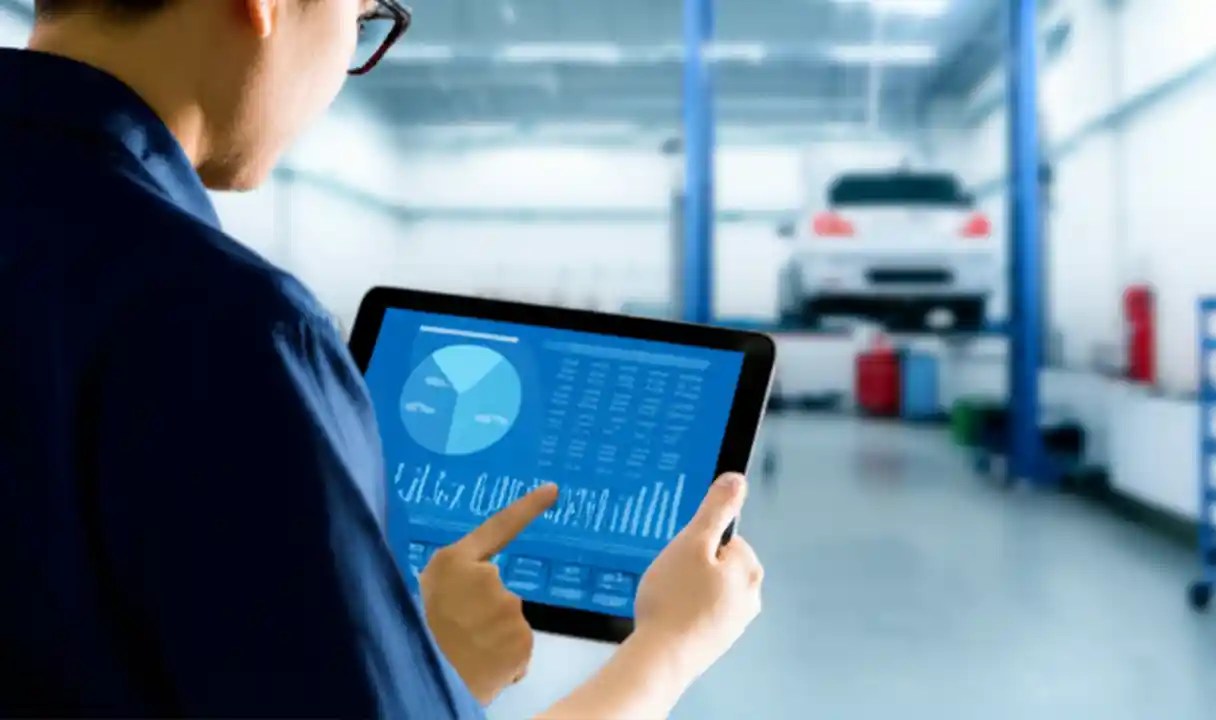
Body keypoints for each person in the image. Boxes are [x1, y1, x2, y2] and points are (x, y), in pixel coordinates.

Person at [0, 0, 764, 718]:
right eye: (361, 18)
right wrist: (669, 646)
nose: (343, 63)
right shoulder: (224, 324)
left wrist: (415, 671)